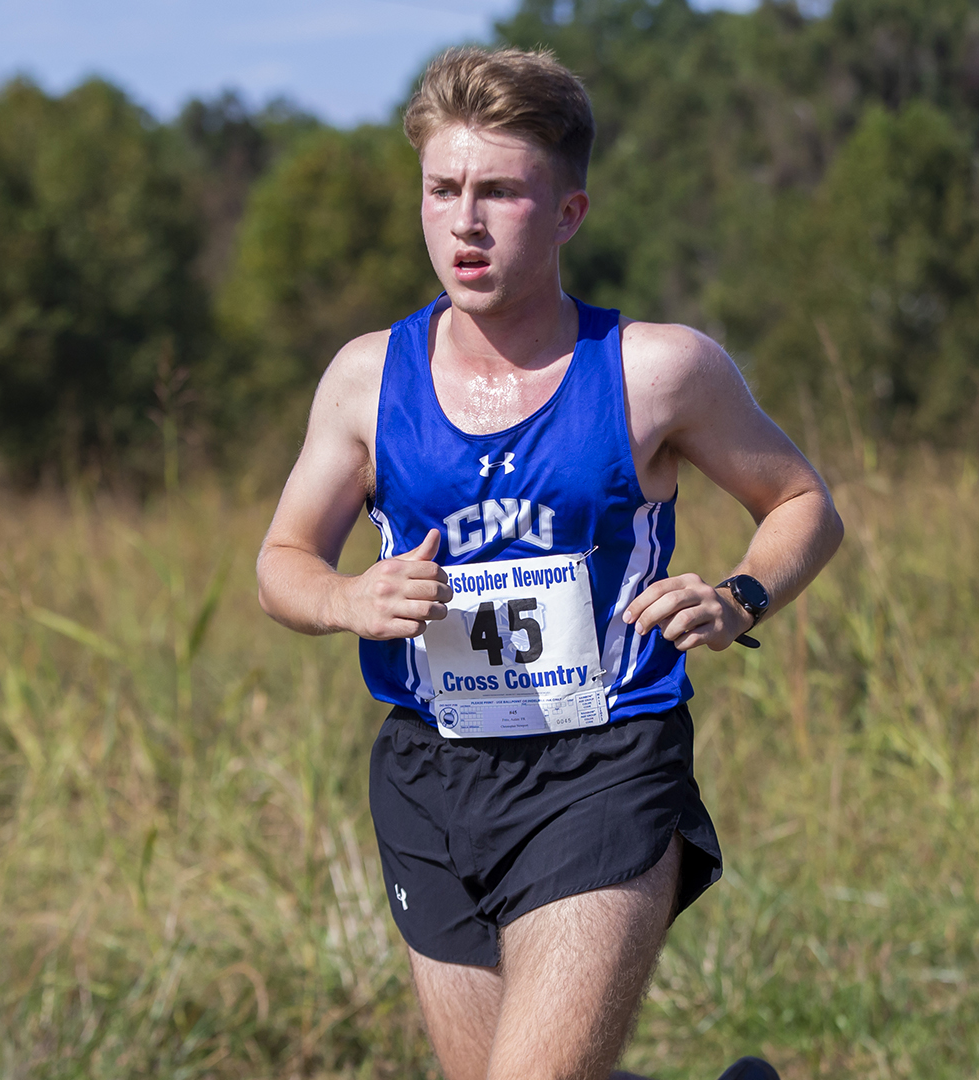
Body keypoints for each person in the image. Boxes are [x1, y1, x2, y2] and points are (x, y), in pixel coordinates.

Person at [256, 46, 843, 1080]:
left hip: (605, 761)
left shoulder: (658, 371)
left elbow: (802, 504)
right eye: (443, 190)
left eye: (500, 193)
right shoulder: (364, 379)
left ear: (568, 212)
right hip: (434, 773)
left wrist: (740, 597)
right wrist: (350, 596)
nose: (465, 222)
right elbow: (282, 561)